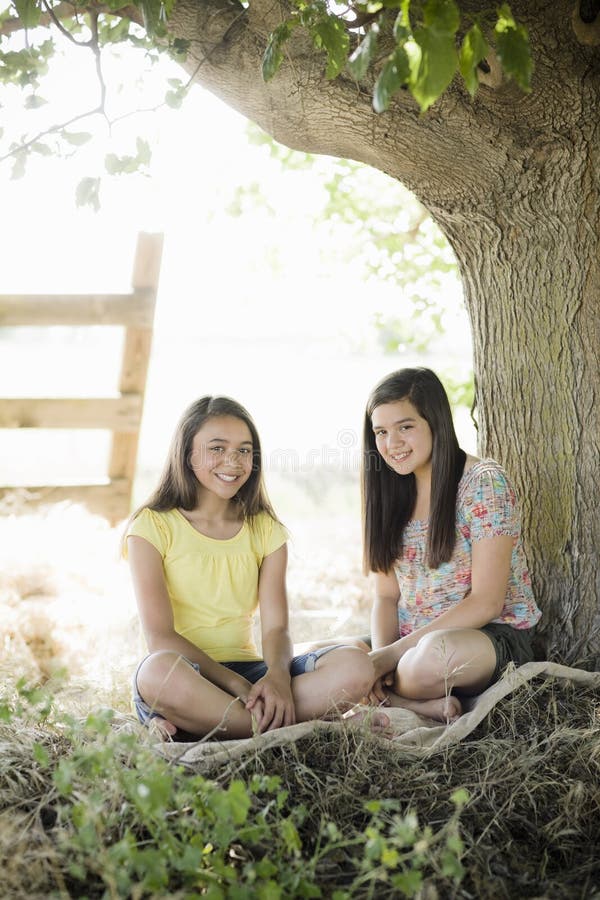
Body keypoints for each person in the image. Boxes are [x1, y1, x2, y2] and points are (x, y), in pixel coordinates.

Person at [124, 395, 384, 740]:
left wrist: (277, 678)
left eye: (244, 450)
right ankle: (306, 728)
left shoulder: (265, 529)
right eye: (217, 448)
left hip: (252, 672)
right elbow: (160, 637)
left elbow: (276, 628)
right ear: (187, 454)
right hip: (188, 673)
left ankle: (221, 724)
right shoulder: (151, 526)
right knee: (156, 673)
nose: (232, 461)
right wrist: (236, 685)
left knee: (355, 665)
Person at [362, 367, 541, 722]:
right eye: (381, 432)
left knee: (426, 661)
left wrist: (391, 657)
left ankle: (393, 694)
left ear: (435, 422)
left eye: (405, 427)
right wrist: (381, 657)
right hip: (407, 641)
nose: (392, 443)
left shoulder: (483, 483)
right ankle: (409, 702)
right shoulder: (387, 490)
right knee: (325, 660)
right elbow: (386, 596)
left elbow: (487, 602)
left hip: (486, 637)